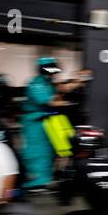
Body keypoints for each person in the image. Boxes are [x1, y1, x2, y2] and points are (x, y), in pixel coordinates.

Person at [20, 57, 65, 192]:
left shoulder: (47, 83)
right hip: (34, 123)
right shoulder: (36, 84)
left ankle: (46, 177)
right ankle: (37, 179)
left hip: (46, 121)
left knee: (49, 150)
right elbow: (48, 101)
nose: (54, 74)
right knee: (38, 151)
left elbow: (55, 98)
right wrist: (64, 103)